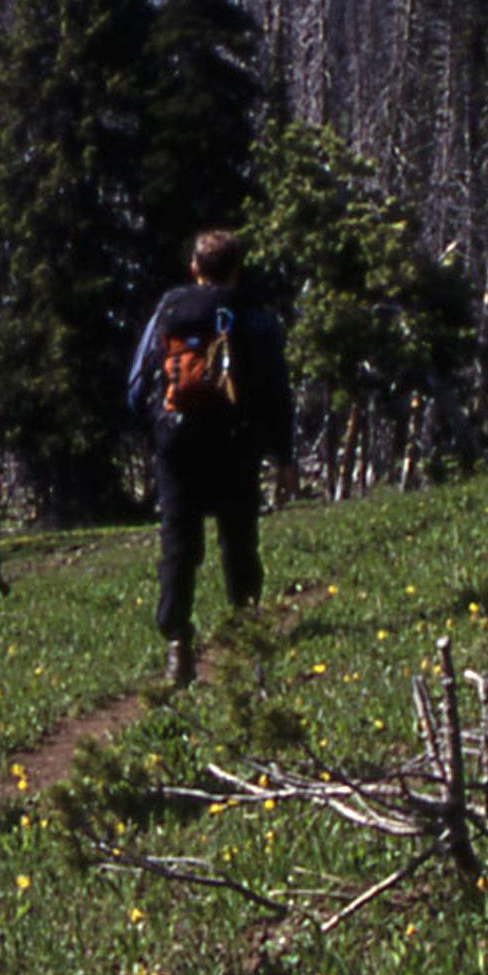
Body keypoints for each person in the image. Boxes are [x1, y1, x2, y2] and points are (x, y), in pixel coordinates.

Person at [128, 229, 296, 687]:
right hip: (236, 443)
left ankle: (178, 644)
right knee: (239, 541)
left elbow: (137, 386)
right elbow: (276, 392)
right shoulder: (255, 319)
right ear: (238, 271)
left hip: (178, 441)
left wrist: (157, 427)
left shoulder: (170, 309)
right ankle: (247, 641)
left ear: (194, 269)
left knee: (179, 543)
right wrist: (283, 455)